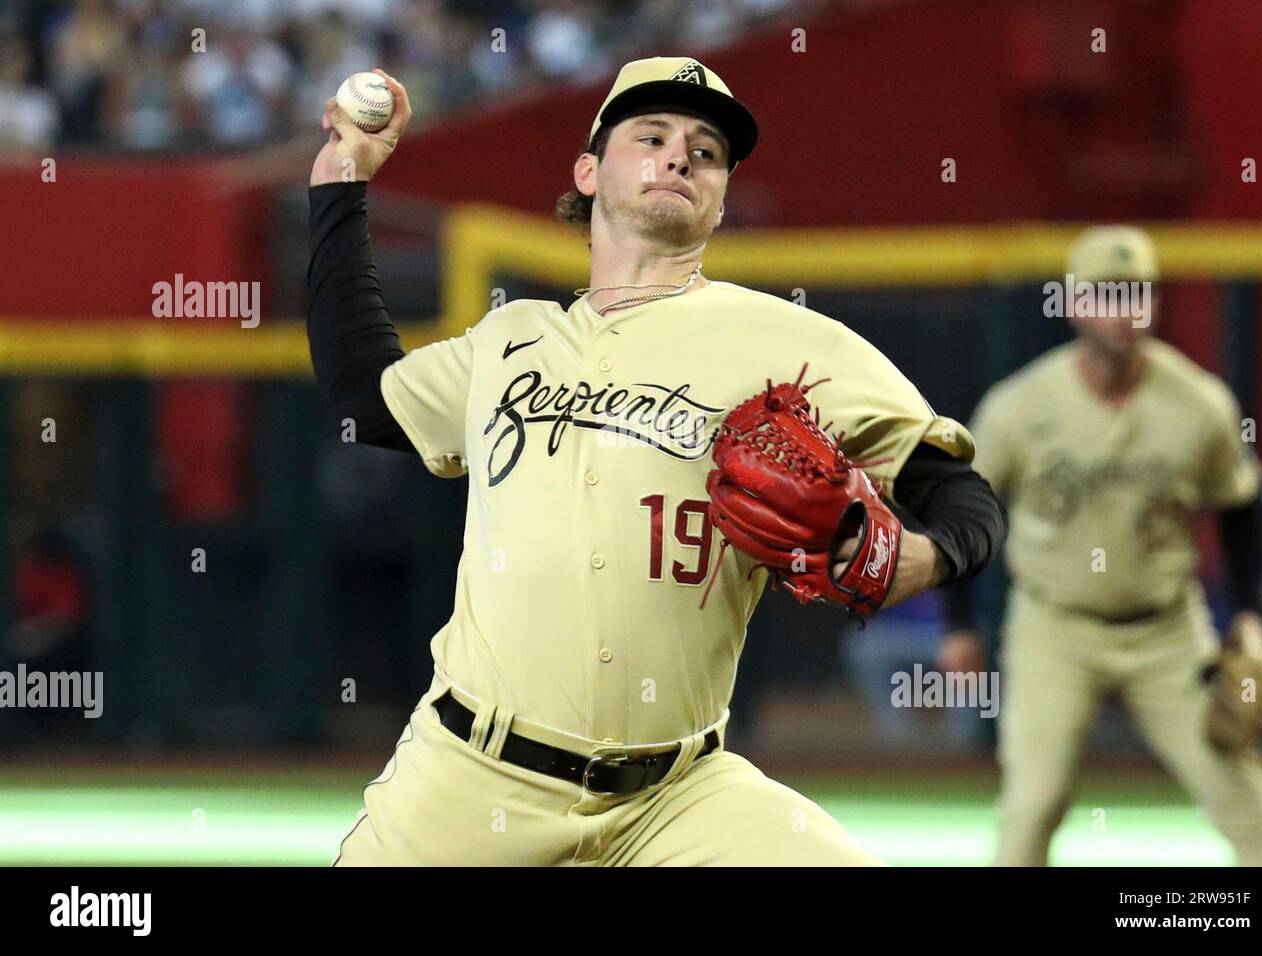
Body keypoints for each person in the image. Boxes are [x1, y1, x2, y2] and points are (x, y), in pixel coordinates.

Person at [307, 57, 1004, 866]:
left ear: (717, 197)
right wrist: (339, 181)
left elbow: (960, 492)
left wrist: (929, 555)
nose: (680, 156)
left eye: (706, 151)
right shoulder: (509, 342)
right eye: (653, 136)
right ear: (590, 170)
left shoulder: (792, 345)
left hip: (676, 798)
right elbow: (365, 396)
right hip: (469, 780)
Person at [941, 226, 1262, 866]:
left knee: (1247, 803)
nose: (1125, 309)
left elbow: (1237, 507)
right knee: (1034, 801)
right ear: (1074, 304)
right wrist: (959, 625)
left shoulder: (1200, 403)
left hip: (1166, 630)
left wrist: (1247, 614)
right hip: (1056, 627)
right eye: (1107, 294)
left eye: (1138, 293)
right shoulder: (1020, 406)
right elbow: (966, 510)